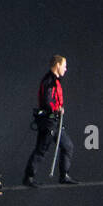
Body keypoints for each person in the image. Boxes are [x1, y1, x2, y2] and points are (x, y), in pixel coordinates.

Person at [23, 55, 76, 186]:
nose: (65, 69)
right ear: (57, 65)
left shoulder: (54, 81)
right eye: (64, 65)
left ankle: (64, 175)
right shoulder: (49, 81)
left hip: (54, 122)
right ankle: (29, 177)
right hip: (48, 122)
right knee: (41, 149)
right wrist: (57, 108)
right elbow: (47, 101)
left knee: (67, 146)